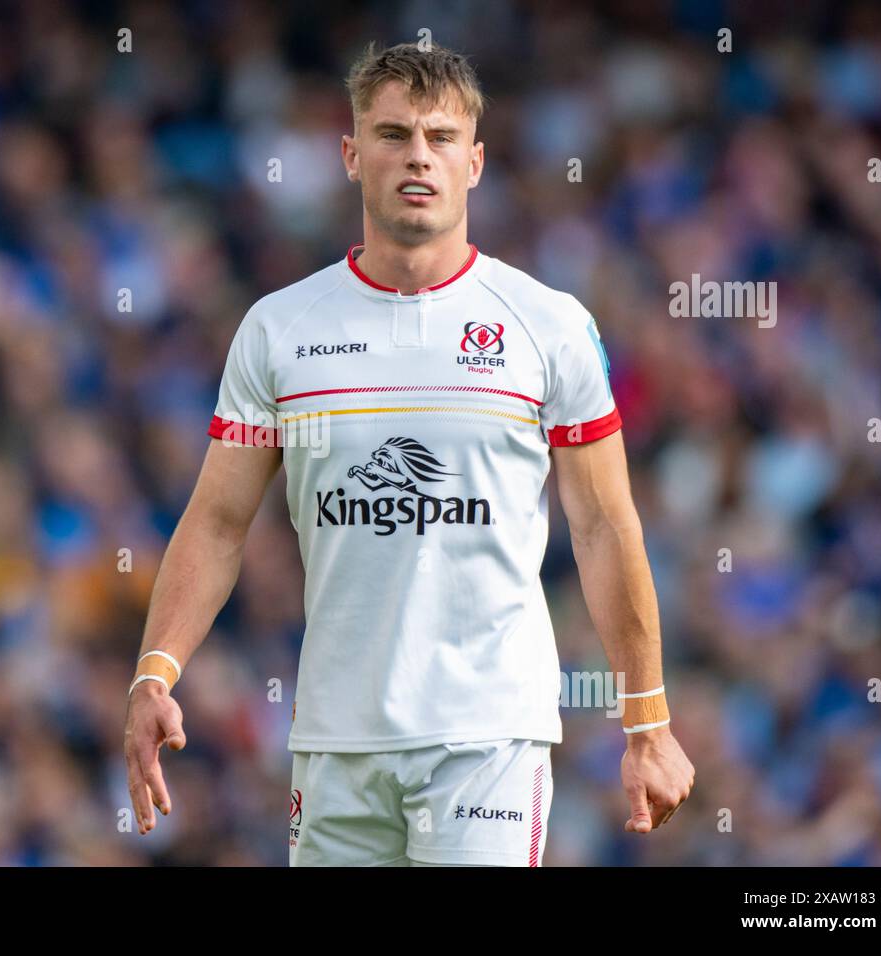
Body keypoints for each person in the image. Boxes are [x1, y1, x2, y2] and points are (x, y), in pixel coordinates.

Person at [124, 40, 694, 866]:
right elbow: (215, 524)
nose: (417, 156)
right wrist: (155, 672)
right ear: (352, 157)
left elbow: (606, 526)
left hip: (487, 739)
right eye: (392, 135)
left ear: (476, 161)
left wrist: (649, 722)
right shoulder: (280, 329)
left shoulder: (549, 325)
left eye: (440, 137)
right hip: (333, 742)